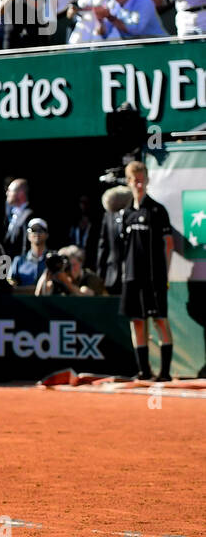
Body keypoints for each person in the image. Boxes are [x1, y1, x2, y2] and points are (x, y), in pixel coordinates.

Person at [117, 162, 177, 381]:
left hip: (155, 278)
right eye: (134, 179)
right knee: (137, 322)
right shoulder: (126, 214)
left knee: (160, 320)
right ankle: (144, 371)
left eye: (141, 178)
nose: (138, 183)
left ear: (147, 180)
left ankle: (165, 373)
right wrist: (124, 272)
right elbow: (123, 249)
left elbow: (168, 244)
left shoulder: (157, 210)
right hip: (132, 278)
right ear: (129, 182)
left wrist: (165, 275)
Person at [6, 217, 52, 292]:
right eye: (33, 230)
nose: (37, 233)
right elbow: (11, 285)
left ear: (47, 234)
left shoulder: (54, 260)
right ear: (28, 235)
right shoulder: (18, 260)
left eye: (40, 230)